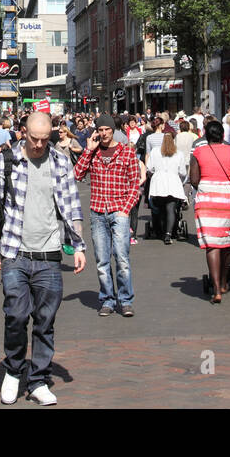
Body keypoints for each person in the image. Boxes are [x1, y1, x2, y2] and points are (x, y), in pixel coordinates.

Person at [0, 111, 87, 405]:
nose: (39, 145)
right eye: (34, 138)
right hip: (14, 251)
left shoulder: (60, 161)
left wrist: (78, 246)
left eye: (45, 139)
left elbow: (71, 207)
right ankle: (14, 371)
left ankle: (39, 379)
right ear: (23, 132)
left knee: (45, 319)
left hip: (49, 254)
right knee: (15, 314)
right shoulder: (5, 161)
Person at [73, 113, 141, 317]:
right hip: (97, 211)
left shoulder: (126, 152)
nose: (103, 134)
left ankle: (125, 299)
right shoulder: (92, 153)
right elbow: (76, 174)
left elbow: (134, 184)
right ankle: (107, 299)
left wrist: (125, 209)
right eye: (100, 130)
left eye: (107, 130)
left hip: (119, 210)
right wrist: (88, 150)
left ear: (113, 131)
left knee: (121, 258)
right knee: (102, 260)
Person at [188, 121, 230, 303]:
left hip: (207, 199)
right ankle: (223, 282)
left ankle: (216, 290)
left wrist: (206, 186)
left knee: (211, 245)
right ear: (222, 135)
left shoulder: (198, 152)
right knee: (227, 243)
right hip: (227, 198)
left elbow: (194, 179)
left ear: (205, 135)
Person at [146, 127, 189, 244]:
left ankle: (159, 230)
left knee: (159, 208)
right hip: (173, 182)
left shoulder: (155, 151)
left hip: (158, 183)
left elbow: (149, 168)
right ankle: (168, 234)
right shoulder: (178, 153)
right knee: (171, 208)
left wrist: (153, 175)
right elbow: (183, 172)